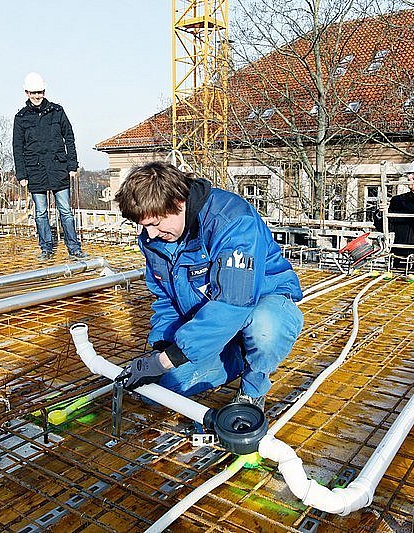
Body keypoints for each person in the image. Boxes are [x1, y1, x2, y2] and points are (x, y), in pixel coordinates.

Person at [113, 162, 304, 409]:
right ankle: (233, 356)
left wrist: (166, 360)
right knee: (157, 394)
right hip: (211, 326)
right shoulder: (156, 240)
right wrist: (163, 349)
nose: (149, 235)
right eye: (143, 226)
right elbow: (166, 300)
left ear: (178, 203)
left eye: (155, 224)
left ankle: (253, 389)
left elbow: (233, 304)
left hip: (264, 303)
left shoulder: (232, 221)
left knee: (265, 329)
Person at [12, 72, 88, 261]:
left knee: (66, 212)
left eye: (40, 92)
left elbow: (69, 137)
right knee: (41, 213)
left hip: (58, 168)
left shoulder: (57, 111)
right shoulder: (21, 118)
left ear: (44, 91)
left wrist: (72, 164)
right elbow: (17, 147)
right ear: (27, 92)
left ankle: (74, 248)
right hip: (35, 170)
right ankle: (46, 248)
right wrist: (21, 174)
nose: (37, 96)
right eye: (33, 93)